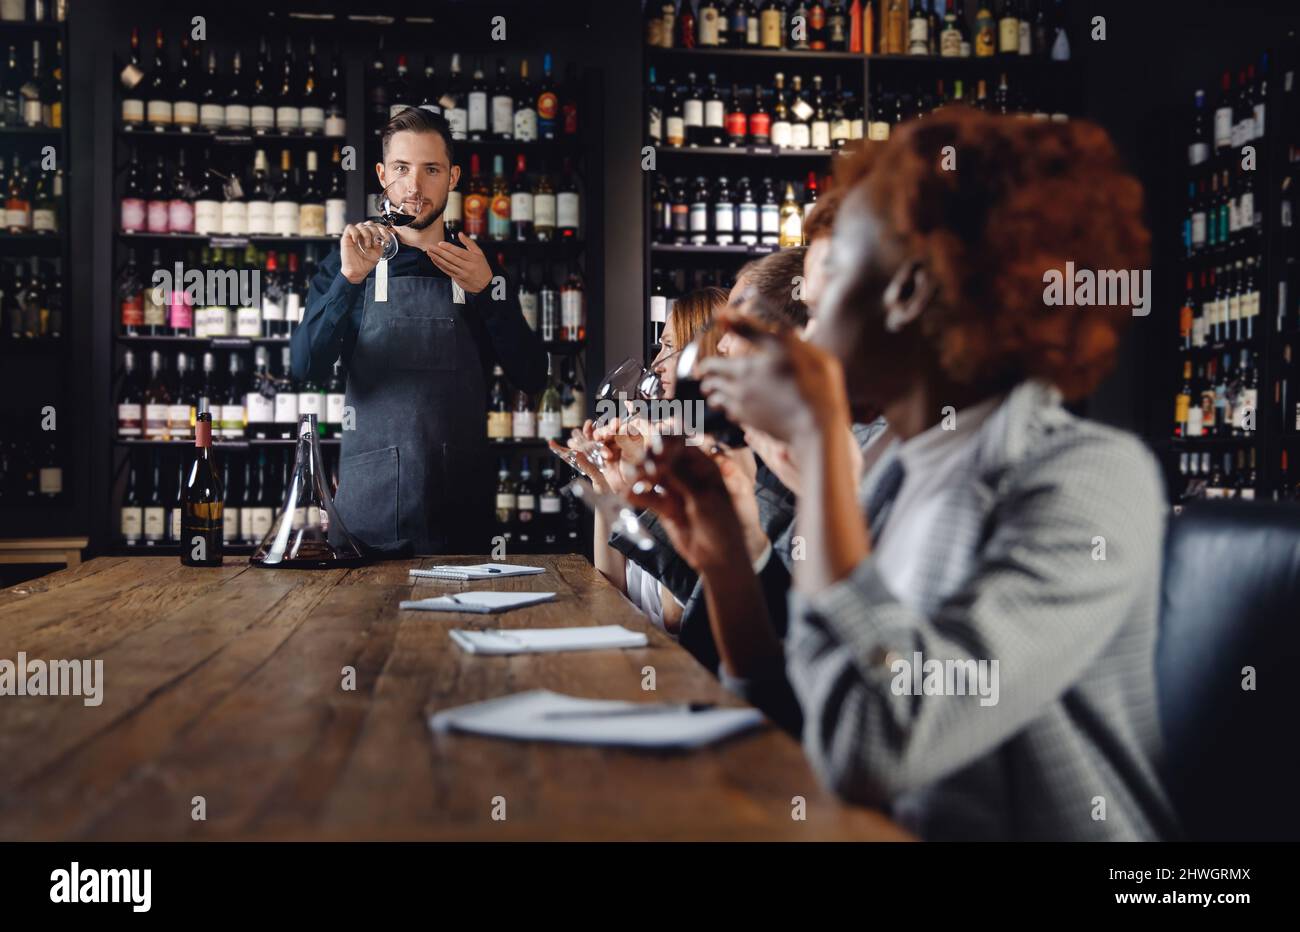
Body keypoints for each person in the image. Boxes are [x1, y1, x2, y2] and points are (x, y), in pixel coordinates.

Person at [627, 108, 1177, 841]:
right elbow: (803, 725)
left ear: (911, 291)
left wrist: (821, 450)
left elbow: (874, 747)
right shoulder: (897, 468)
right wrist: (732, 565)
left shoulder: (1086, 479)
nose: (807, 335)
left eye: (821, 306)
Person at [292, 108, 547, 555]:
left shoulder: (479, 266)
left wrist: (489, 292)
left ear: (452, 177)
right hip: (366, 515)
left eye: (431, 170)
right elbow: (304, 367)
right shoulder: (348, 264)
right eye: (401, 169)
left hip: (461, 516)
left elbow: (532, 376)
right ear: (381, 175)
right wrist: (347, 282)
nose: (414, 186)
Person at [567, 287, 724, 632]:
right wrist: (604, 484)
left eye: (669, 347)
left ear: (706, 352)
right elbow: (611, 585)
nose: (655, 362)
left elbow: (675, 615)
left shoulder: (719, 460)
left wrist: (648, 482)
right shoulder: (667, 437)